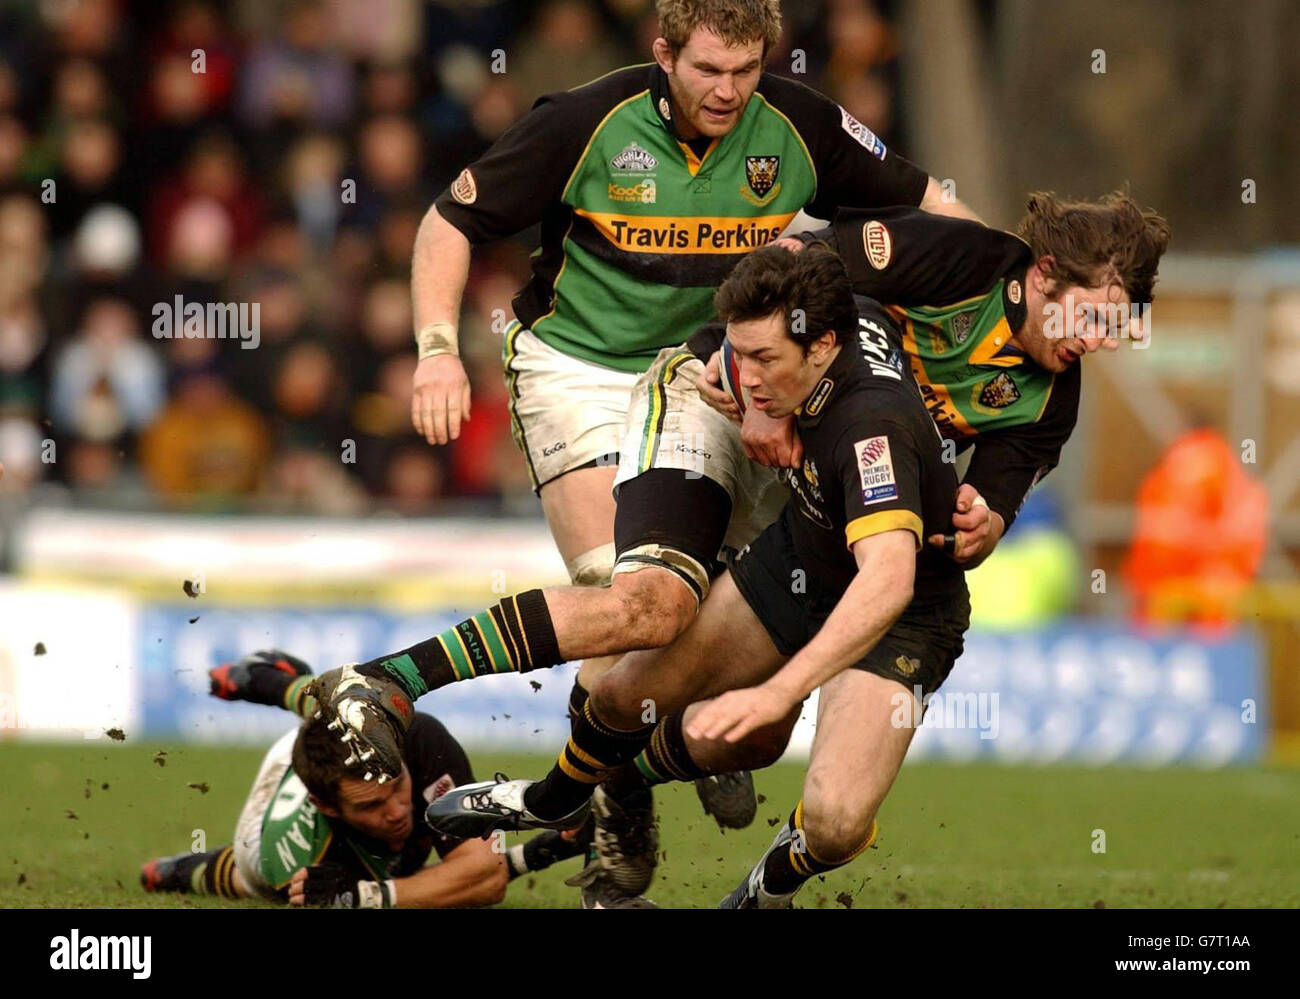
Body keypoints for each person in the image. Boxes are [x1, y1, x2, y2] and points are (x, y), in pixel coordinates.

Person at [309, 191, 1171, 901]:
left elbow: (972, 525)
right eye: (1094, 315)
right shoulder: (955, 261)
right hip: (789, 501)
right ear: (1044, 273)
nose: (1098, 340)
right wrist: (762, 402)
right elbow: (783, 274)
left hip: (886, 572)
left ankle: (735, 870)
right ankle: (530, 777)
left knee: (804, 793)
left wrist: (984, 528)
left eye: (1116, 327)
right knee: (636, 651)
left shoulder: (1046, 400)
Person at [402, 0, 978, 900]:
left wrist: (1007, 284)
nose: (728, 90)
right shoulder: (583, 122)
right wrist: (438, 352)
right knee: (630, 602)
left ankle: (635, 753)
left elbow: (932, 206)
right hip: (583, 370)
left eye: (746, 72)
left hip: (726, 379)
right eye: (708, 69)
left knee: (737, 715)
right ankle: (612, 794)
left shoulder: (800, 125)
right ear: (662, 52)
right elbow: (449, 223)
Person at [426, 245, 969, 908]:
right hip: (798, 559)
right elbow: (749, 332)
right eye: (740, 352)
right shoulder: (821, 319)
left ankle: (765, 888)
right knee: (625, 693)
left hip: (900, 618)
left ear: (824, 346)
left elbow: (888, 581)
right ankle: (548, 802)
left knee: (833, 819)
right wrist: (753, 387)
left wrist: (779, 691)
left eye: (765, 360)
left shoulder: (871, 427)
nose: (747, 375)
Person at [140, 651, 586, 907]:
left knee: (362, 707)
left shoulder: (419, 739)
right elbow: (469, 884)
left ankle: (266, 681)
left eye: (396, 788)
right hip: (266, 832)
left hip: (338, 764)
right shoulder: (297, 856)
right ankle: (172, 871)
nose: (396, 812)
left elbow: (482, 874)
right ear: (330, 808)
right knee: (248, 879)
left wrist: (369, 898)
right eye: (372, 806)